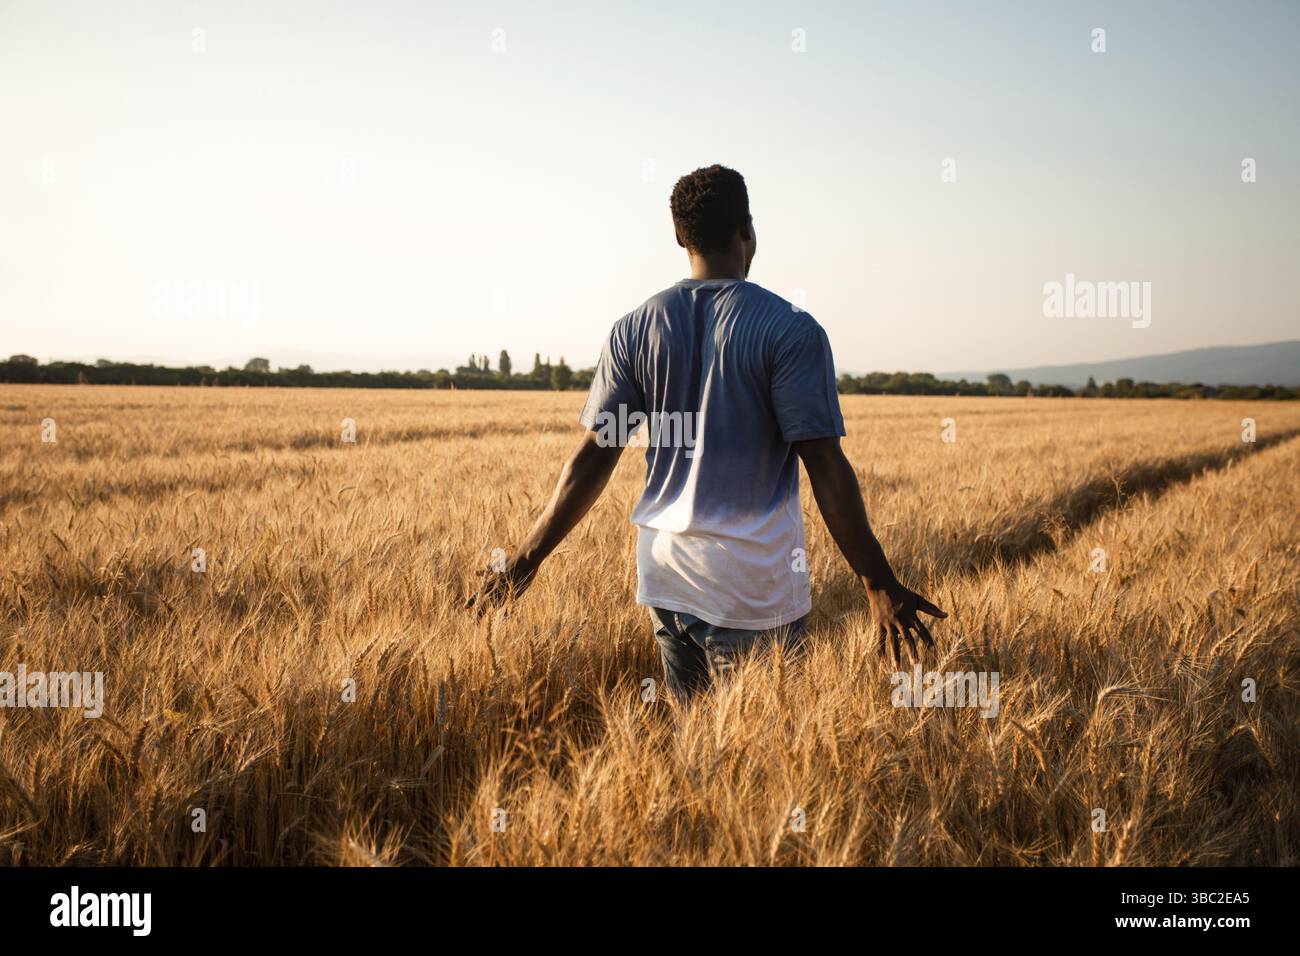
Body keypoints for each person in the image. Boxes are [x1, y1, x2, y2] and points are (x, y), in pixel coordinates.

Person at [467, 164, 945, 699]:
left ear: (679, 236)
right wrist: (877, 581)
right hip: (750, 588)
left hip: (665, 577)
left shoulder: (634, 328)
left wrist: (525, 561)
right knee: (763, 763)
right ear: (748, 230)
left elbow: (593, 458)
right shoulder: (790, 329)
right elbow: (825, 464)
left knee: (696, 754)